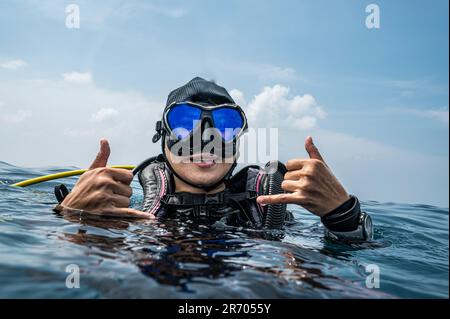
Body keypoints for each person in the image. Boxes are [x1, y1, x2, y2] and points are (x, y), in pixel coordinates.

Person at [54, 77, 372, 241]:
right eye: (184, 121)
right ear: (162, 136)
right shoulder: (123, 214)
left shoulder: (269, 216)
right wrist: (72, 216)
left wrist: (342, 216)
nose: (205, 138)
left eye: (225, 124)